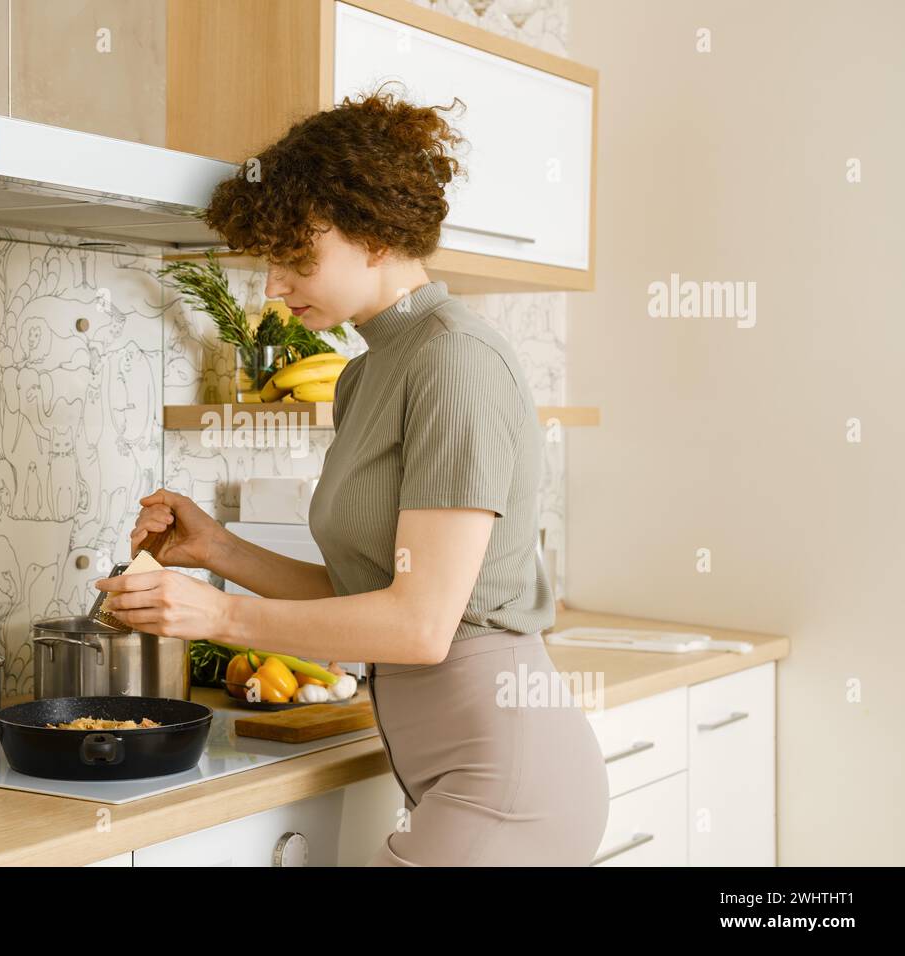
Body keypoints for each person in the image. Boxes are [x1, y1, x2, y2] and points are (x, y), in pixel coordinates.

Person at [94, 87, 609, 866]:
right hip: (452, 777)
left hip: (508, 788)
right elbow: (368, 592)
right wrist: (220, 554)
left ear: (372, 235)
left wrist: (220, 618)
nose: (272, 284)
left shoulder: (454, 359)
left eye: (294, 257)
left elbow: (420, 626)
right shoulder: (368, 375)